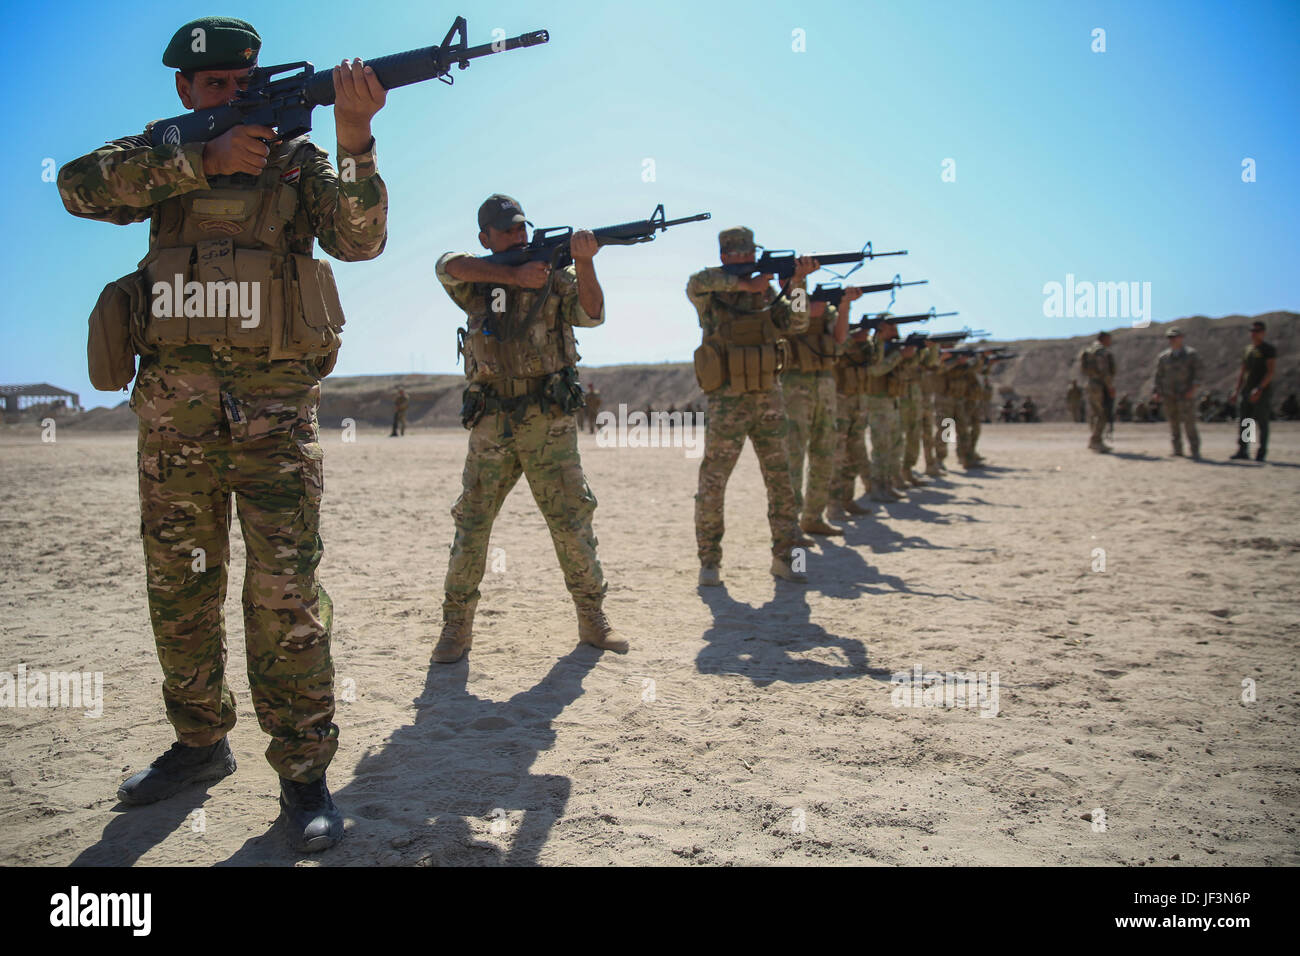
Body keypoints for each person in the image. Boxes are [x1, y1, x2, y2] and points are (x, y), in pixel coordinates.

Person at [57, 16, 389, 851]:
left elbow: (361, 239)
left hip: (274, 421)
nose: (232, 99)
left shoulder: (298, 164)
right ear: (185, 91)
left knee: (284, 598)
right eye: (214, 88)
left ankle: (304, 777)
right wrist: (197, 160)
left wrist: (357, 135)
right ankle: (199, 745)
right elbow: (75, 186)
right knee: (180, 591)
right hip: (175, 422)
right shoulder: (163, 156)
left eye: (243, 86)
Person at [431, 194, 626, 661]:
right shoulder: (475, 280)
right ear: (486, 239)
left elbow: (593, 315)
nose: (517, 236)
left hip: (548, 420)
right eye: (506, 231)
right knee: (472, 525)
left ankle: (592, 617)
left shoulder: (558, 279)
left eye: (521, 228)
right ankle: (455, 628)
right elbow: (446, 265)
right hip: (492, 420)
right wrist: (514, 275)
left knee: (571, 520)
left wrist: (585, 263)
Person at [689, 227, 817, 586]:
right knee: (713, 480)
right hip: (726, 401)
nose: (747, 259)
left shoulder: (769, 294)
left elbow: (798, 323)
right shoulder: (710, 291)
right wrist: (746, 286)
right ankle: (709, 561)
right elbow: (694, 283)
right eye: (740, 254)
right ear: (725, 256)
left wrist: (798, 285)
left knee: (782, 481)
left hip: (768, 399)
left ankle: (787, 558)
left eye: (750, 254)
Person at [783, 291, 855, 534]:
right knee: (794, 454)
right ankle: (790, 521)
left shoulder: (829, 312)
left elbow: (841, 340)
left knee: (825, 453)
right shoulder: (785, 303)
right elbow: (795, 321)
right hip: (794, 382)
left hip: (824, 382)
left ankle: (813, 516)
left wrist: (844, 307)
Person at [863, 317, 917, 499]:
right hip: (877, 401)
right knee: (881, 446)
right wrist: (900, 355)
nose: (894, 331)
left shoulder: (893, 347)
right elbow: (875, 370)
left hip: (892, 400)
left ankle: (888, 483)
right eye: (890, 327)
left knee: (895, 444)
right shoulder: (873, 347)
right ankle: (877, 487)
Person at [1230, 320, 1278, 462]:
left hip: (1262, 392)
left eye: (1257, 331)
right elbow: (1243, 372)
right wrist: (1236, 390)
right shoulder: (1248, 350)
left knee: (1262, 422)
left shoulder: (1268, 349)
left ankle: (1261, 452)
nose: (1254, 334)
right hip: (1247, 390)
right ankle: (1244, 450)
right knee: (1247, 422)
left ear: (1263, 332)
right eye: (1252, 331)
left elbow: (1270, 371)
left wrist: (1260, 388)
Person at [1152, 327, 1201, 459]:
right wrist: (1157, 391)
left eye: (1175, 337)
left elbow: (1198, 374)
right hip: (1169, 395)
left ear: (1181, 337)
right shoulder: (1164, 357)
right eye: (1170, 338)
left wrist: (1193, 389)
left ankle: (1195, 450)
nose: (1172, 340)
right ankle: (1177, 450)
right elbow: (1158, 376)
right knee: (1173, 423)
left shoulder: (1191, 355)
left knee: (1189, 423)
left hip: (1186, 394)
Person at [1080, 332, 1116, 452]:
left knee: (1095, 413)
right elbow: (1104, 371)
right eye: (1109, 339)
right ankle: (1095, 440)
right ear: (1104, 339)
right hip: (1100, 385)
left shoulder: (1088, 351)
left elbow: (1083, 369)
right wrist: (1110, 387)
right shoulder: (1101, 352)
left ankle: (1096, 440)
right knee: (1102, 413)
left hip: (1091, 384)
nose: (1110, 342)